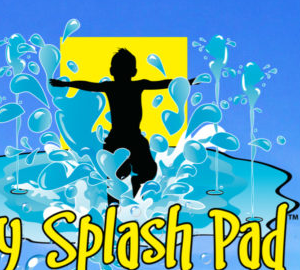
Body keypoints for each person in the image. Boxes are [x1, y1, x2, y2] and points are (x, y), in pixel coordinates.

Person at [51, 48, 193, 198]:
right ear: (134, 71)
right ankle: (129, 191)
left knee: (129, 174)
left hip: (122, 139)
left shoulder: (116, 86)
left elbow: (88, 85)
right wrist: (185, 83)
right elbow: (164, 83)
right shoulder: (129, 85)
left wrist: (65, 84)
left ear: (112, 70)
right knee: (131, 173)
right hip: (126, 138)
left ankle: (125, 194)